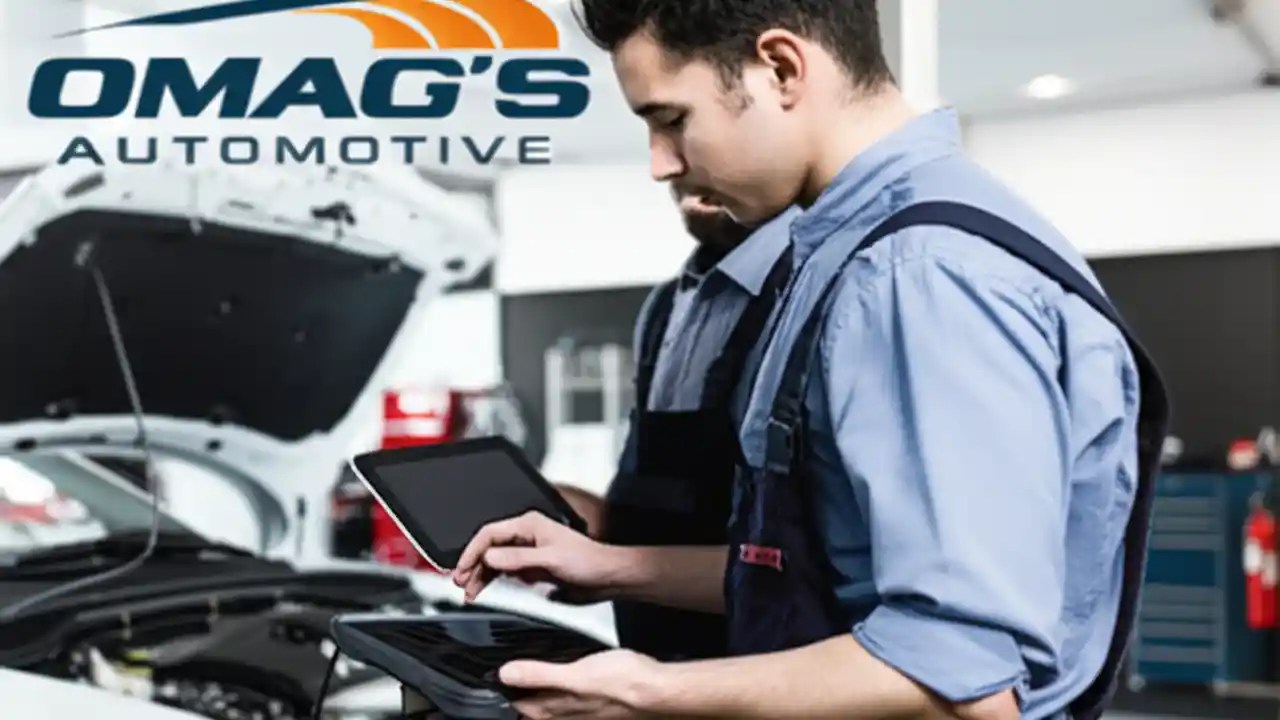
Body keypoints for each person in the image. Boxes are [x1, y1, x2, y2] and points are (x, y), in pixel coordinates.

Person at [453, 2, 1169, 719]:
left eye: (672, 120)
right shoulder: (856, 252)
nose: (661, 163)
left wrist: (650, 694)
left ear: (782, 68)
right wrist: (615, 568)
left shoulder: (915, 274)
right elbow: (811, 576)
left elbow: (962, 687)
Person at [554, 185, 798, 663]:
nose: (669, 164)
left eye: (682, 123)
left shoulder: (804, 299)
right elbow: (661, 496)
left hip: (752, 673)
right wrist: (578, 518)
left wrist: (609, 569)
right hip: (649, 658)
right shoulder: (666, 306)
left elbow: (793, 566)